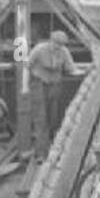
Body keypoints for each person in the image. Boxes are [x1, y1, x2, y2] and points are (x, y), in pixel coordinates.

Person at [26, 29, 79, 158]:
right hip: (39, 84)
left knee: (53, 118)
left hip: (55, 85)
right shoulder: (39, 49)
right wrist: (29, 83)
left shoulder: (64, 52)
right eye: (56, 44)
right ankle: (41, 153)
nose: (58, 47)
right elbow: (27, 65)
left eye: (61, 45)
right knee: (41, 119)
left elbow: (71, 69)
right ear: (51, 41)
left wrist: (86, 71)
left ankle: (51, 147)